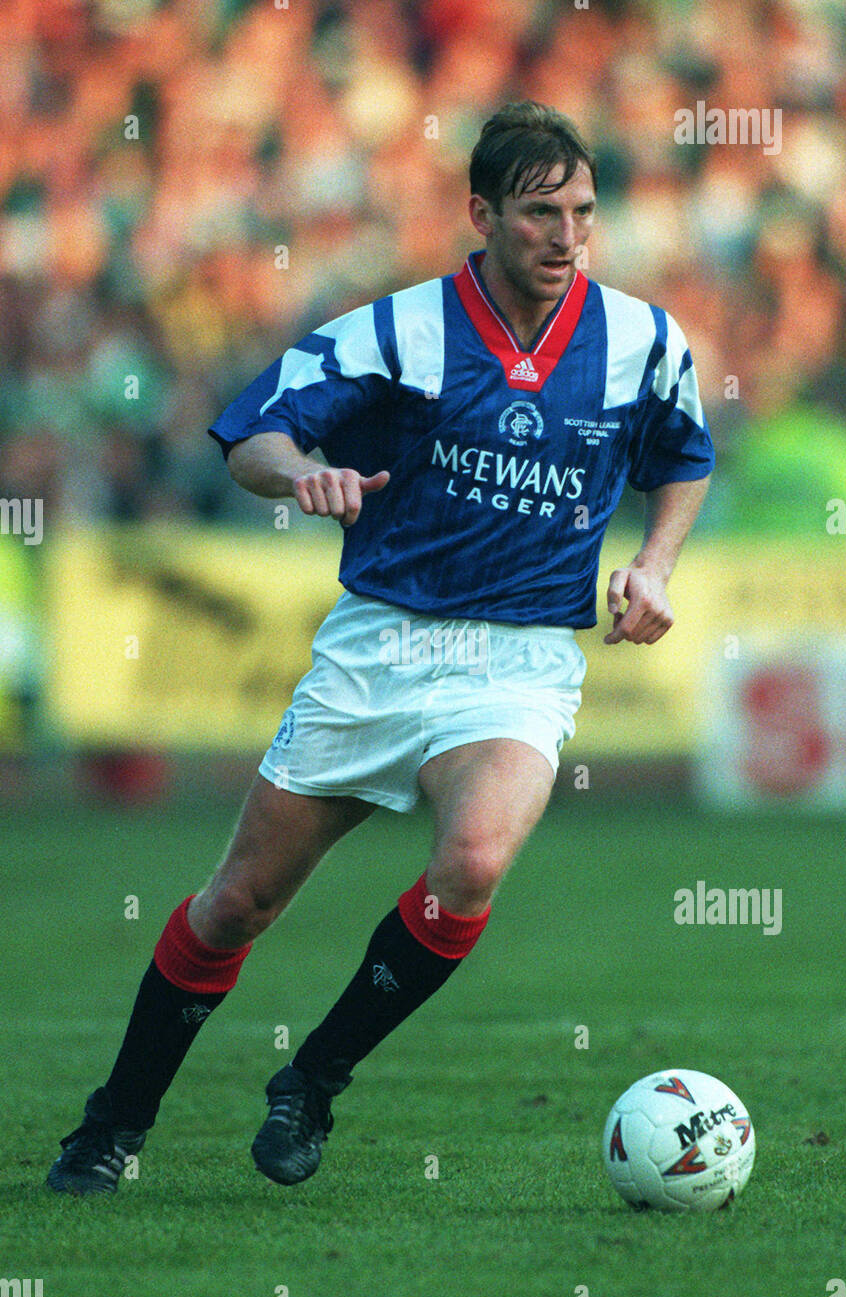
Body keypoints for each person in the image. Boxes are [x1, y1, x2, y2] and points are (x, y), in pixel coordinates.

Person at [47, 101, 713, 1195]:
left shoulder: (644, 339)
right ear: (480, 213)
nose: (565, 237)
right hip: (381, 647)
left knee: (473, 865)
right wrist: (299, 474)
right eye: (539, 213)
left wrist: (656, 566)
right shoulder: (399, 329)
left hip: (522, 657)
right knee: (236, 906)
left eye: (582, 214)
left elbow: (681, 456)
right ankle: (113, 1125)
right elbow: (254, 435)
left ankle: (310, 1081)